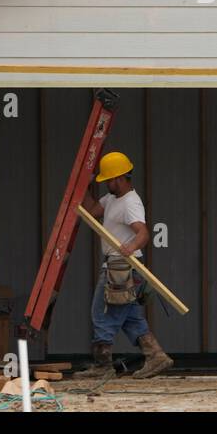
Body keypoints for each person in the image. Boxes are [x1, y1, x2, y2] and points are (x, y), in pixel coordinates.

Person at [78, 150, 174, 379]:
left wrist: (130, 247)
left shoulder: (131, 202)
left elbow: (143, 233)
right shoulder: (112, 199)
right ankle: (156, 356)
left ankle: (103, 366)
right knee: (130, 317)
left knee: (100, 312)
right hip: (118, 264)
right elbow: (91, 212)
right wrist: (85, 186)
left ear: (120, 178)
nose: (107, 183)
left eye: (109, 179)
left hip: (122, 266)